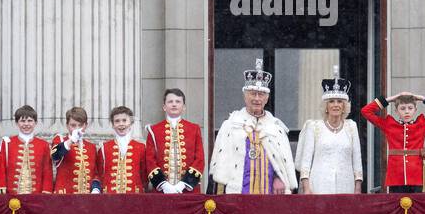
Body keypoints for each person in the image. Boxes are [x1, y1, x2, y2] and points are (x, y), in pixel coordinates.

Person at [208, 59, 297, 194]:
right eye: (252, 93)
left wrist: (280, 178)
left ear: (266, 99)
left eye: (261, 94)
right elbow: (220, 163)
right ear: (245, 96)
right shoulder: (230, 125)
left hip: (269, 193)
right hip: (238, 191)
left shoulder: (276, 128)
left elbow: (282, 162)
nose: (257, 98)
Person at [361, 89, 425, 194]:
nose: (407, 111)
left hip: (416, 176)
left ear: (415, 109)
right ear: (396, 111)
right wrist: (391, 99)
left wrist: (421, 98)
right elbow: (366, 111)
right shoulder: (389, 125)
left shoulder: (422, 124)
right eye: (402, 108)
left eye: (410, 108)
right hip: (396, 177)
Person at [295, 67, 363, 194]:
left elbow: (357, 160)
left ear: (344, 106)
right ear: (326, 106)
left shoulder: (351, 127)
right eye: (331, 101)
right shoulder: (314, 127)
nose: (336, 105)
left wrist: (357, 187)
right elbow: (305, 162)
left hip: (345, 186)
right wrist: (306, 188)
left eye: (339, 102)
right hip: (319, 185)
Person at [143, 87, 206, 194]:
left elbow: (200, 159)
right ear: (164, 107)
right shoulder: (154, 130)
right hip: (162, 191)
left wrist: (184, 184)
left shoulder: (194, 129)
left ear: (184, 107)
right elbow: (150, 160)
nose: (174, 104)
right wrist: (163, 185)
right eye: (170, 101)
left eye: (178, 101)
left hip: (188, 190)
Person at [0, 105, 55, 195]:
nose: (26, 124)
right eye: (22, 121)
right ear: (17, 123)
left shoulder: (44, 145)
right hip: (12, 196)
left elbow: (47, 171)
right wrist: (0, 186)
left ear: (35, 122)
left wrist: (46, 190)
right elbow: (0, 168)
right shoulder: (7, 143)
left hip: (37, 197)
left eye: (30, 121)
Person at [94, 106, 146, 193]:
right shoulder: (104, 148)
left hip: (135, 196)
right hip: (110, 197)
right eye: (117, 121)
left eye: (124, 120)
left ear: (131, 122)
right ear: (113, 124)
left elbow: (144, 175)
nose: (121, 124)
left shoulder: (141, 147)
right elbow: (100, 174)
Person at [52, 106, 98, 194]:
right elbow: (55, 156)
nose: (77, 129)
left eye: (80, 125)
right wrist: (71, 140)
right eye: (73, 125)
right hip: (64, 197)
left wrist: (96, 189)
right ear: (67, 125)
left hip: (86, 198)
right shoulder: (60, 140)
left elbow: (95, 173)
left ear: (85, 125)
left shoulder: (91, 147)